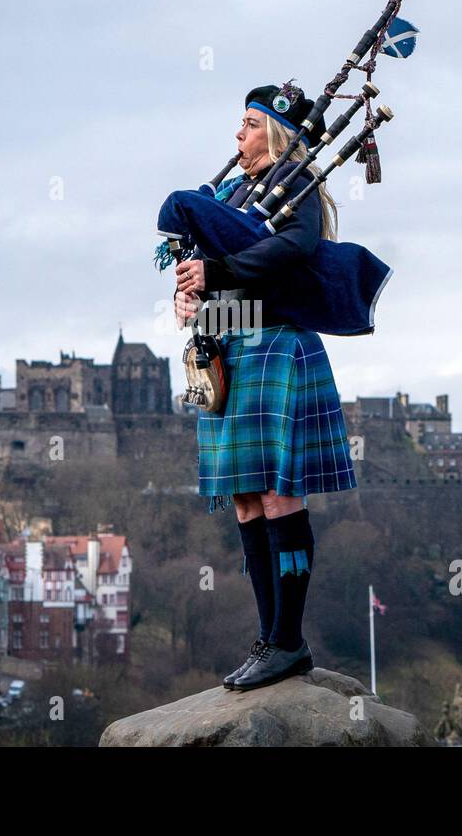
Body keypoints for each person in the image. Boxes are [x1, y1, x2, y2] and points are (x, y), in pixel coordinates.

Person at [173, 82, 358, 691]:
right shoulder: (234, 194)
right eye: (241, 123)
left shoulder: (297, 187)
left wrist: (218, 269)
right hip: (233, 348)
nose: (239, 134)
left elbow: (293, 249)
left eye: (250, 123)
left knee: (280, 498)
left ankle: (289, 640)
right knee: (248, 502)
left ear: (276, 133)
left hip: (279, 347)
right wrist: (191, 299)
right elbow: (217, 280)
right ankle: (269, 637)